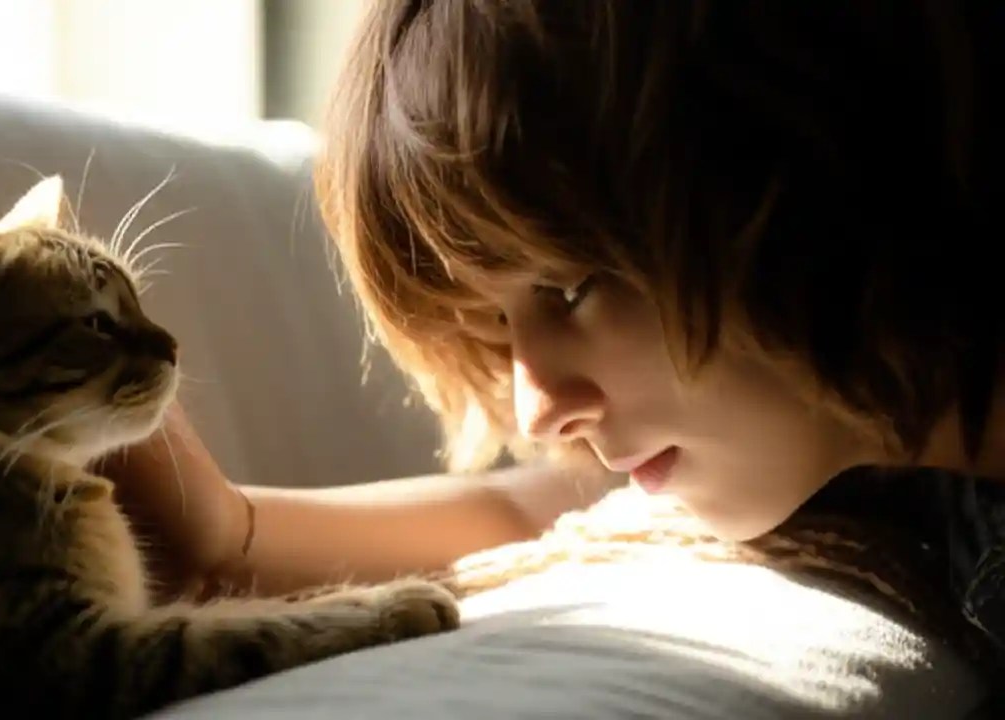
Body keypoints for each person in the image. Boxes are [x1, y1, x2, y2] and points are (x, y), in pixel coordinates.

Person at [105, 0, 1004, 669]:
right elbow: (538, 510)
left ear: (798, 150)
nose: (538, 409)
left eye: (570, 288)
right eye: (498, 327)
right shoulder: (880, 459)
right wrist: (227, 535)